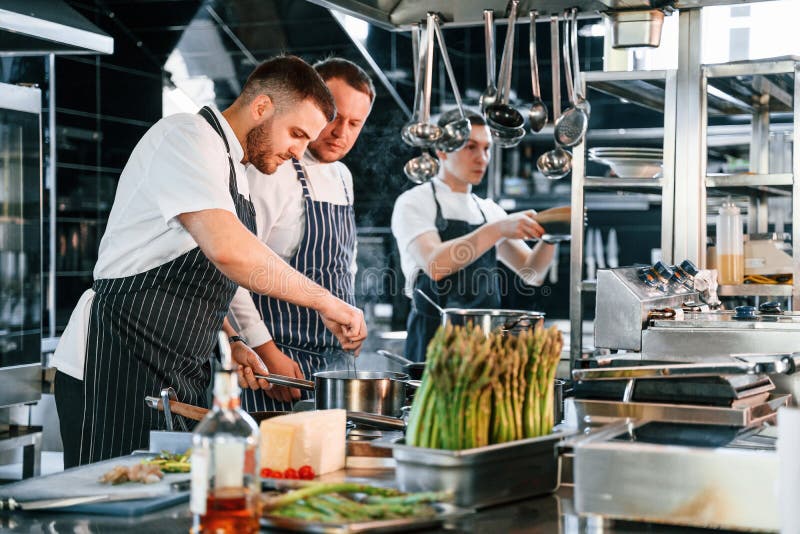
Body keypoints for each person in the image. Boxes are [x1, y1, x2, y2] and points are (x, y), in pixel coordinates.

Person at [51, 55, 367, 467]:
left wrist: (233, 340)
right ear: (261, 107)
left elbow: (188, 265)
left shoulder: (233, 167)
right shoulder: (184, 136)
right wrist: (326, 301)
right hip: (115, 361)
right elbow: (227, 251)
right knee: (116, 506)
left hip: (178, 369)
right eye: (296, 134)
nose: (297, 152)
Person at [228, 58, 374, 410]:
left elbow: (342, 267)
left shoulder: (343, 177)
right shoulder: (271, 170)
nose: (342, 132)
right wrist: (266, 352)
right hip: (275, 366)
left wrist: (350, 317)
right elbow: (233, 271)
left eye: (355, 124)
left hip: (332, 364)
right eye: (335, 117)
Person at [391, 108, 555, 362]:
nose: (483, 158)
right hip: (433, 343)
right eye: (471, 147)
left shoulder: (488, 209)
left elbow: (531, 273)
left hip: (485, 344)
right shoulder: (414, 202)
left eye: (487, 148)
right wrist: (498, 229)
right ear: (442, 150)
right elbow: (435, 265)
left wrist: (552, 235)